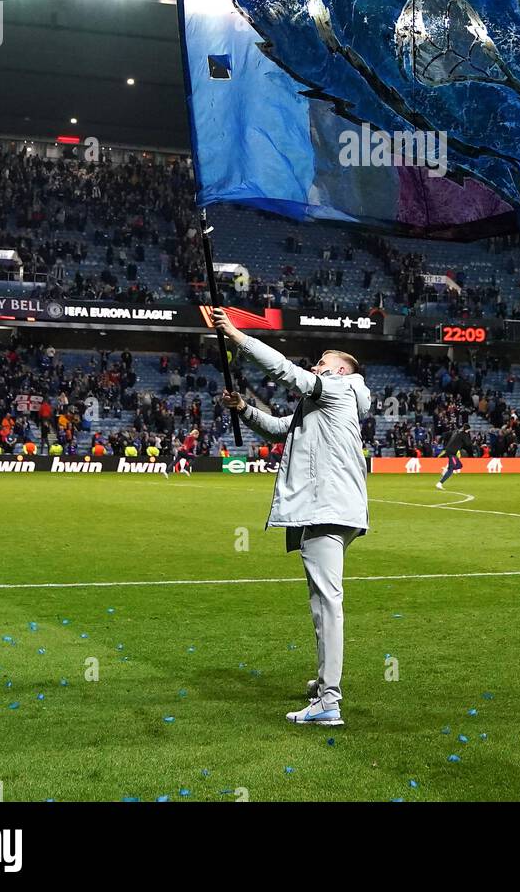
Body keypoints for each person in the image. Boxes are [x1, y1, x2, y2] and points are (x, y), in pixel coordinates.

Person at [215, 309, 370, 729]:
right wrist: (244, 408)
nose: (314, 369)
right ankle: (325, 684)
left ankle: (329, 701)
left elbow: (288, 372)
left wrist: (237, 337)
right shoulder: (322, 406)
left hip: (327, 506)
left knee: (326, 605)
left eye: (321, 364)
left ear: (339, 371)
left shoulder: (336, 389)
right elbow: (280, 428)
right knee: (325, 602)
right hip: (336, 507)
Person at [435, 423, 466, 490]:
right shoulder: (453, 434)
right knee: (451, 469)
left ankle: (447, 469)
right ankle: (440, 483)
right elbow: (444, 435)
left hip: (453, 452)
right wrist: (440, 442)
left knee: (459, 465)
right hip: (451, 452)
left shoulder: (457, 434)